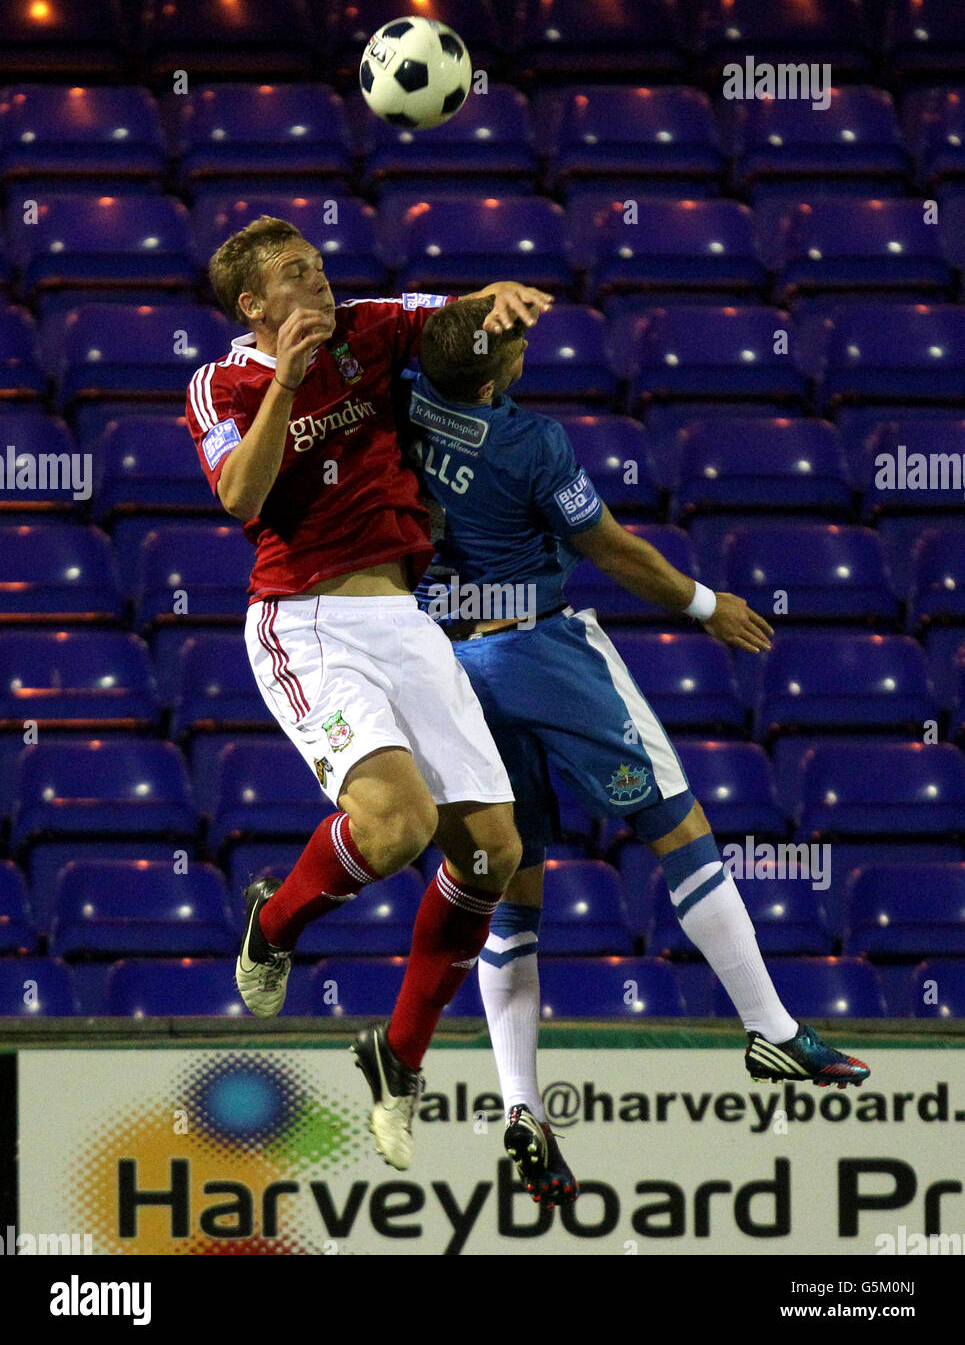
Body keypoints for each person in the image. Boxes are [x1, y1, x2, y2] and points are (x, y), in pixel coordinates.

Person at [402, 296, 871, 1204]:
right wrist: (704, 605)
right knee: (674, 821)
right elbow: (612, 551)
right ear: (498, 370)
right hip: (535, 647)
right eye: (515, 341)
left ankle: (522, 1111)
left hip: (445, 669)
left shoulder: (405, 400)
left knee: (509, 882)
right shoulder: (530, 441)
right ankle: (769, 1026)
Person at [183, 215, 554, 1171]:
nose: (319, 281)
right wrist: (293, 383)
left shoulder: (367, 324)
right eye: (295, 274)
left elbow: (449, 325)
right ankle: (274, 922)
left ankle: (398, 1058)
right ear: (254, 306)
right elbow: (241, 498)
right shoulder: (221, 384)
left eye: (317, 263)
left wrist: (493, 312)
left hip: (404, 619)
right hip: (304, 621)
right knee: (396, 826)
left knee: (494, 852)